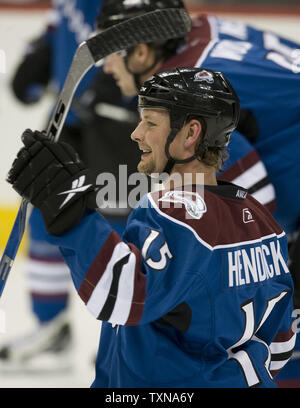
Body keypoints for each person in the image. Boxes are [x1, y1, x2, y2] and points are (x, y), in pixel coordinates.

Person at [6, 67, 296, 387]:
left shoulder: (172, 215)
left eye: (150, 123)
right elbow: (280, 346)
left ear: (190, 134)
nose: (136, 133)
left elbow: (120, 296)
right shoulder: (264, 222)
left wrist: (69, 212)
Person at [98, 0, 300, 386]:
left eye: (110, 55)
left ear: (142, 52)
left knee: (276, 339)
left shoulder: (186, 93)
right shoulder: (201, 28)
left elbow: (249, 217)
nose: (105, 67)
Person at [0, 0, 140, 371]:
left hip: (120, 126)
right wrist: (41, 55)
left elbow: (156, 34)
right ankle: (52, 329)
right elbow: (60, 27)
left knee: (124, 224)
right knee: (45, 216)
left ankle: (131, 336)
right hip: (68, 122)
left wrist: (113, 89)